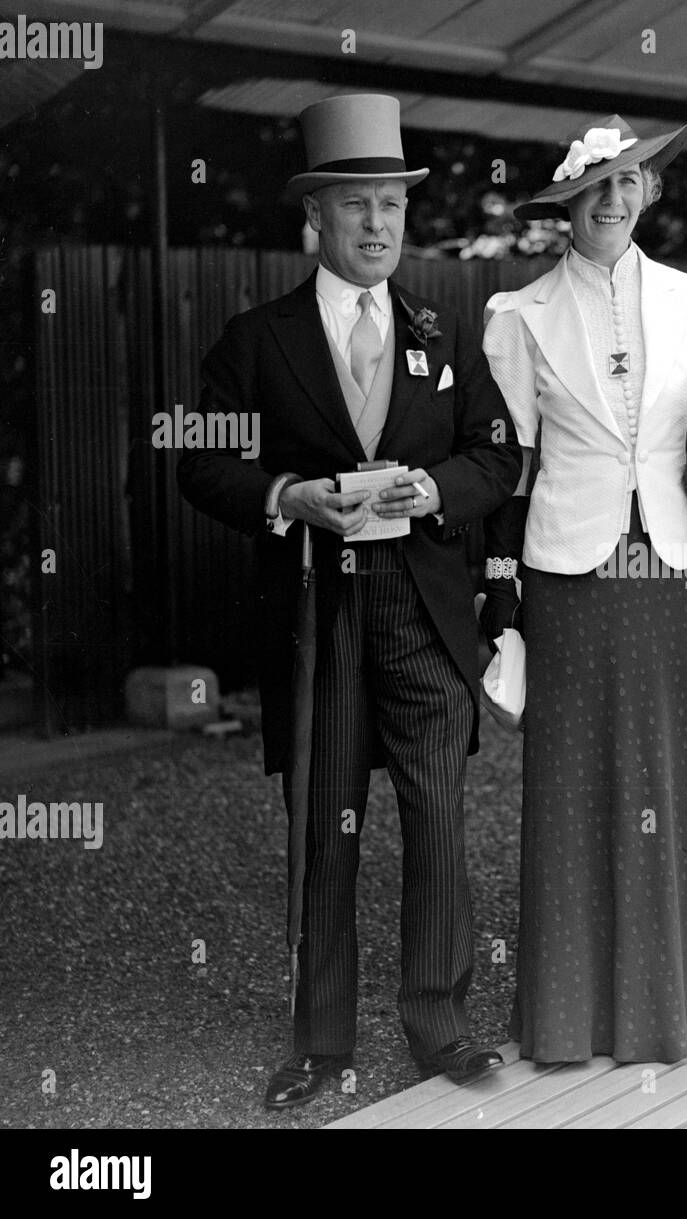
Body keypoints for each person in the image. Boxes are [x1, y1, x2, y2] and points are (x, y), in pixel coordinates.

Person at [177, 94, 522, 1108]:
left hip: (424, 617)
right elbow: (200, 460)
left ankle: (442, 1026)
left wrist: (434, 493)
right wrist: (288, 496)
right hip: (317, 618)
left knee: (440, 826)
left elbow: (498, 456)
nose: (379, 224)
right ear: (313, 222)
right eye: (357, 205)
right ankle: (322, 1042)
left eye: (392, 206)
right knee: (325, 834)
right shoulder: (257, 338)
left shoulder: (442, 328)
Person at [479, 115, 687, 1064]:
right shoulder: (519, 316)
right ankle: (570, 1018)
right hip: (572, 576)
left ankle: (685, 1005)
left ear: (648, 193)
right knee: (575, 784)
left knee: (678, 778)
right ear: (564, 206)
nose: (613, 199)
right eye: (595, 188)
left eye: (629, 182)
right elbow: (509, 473)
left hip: (673, 569)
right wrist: (500, 601)